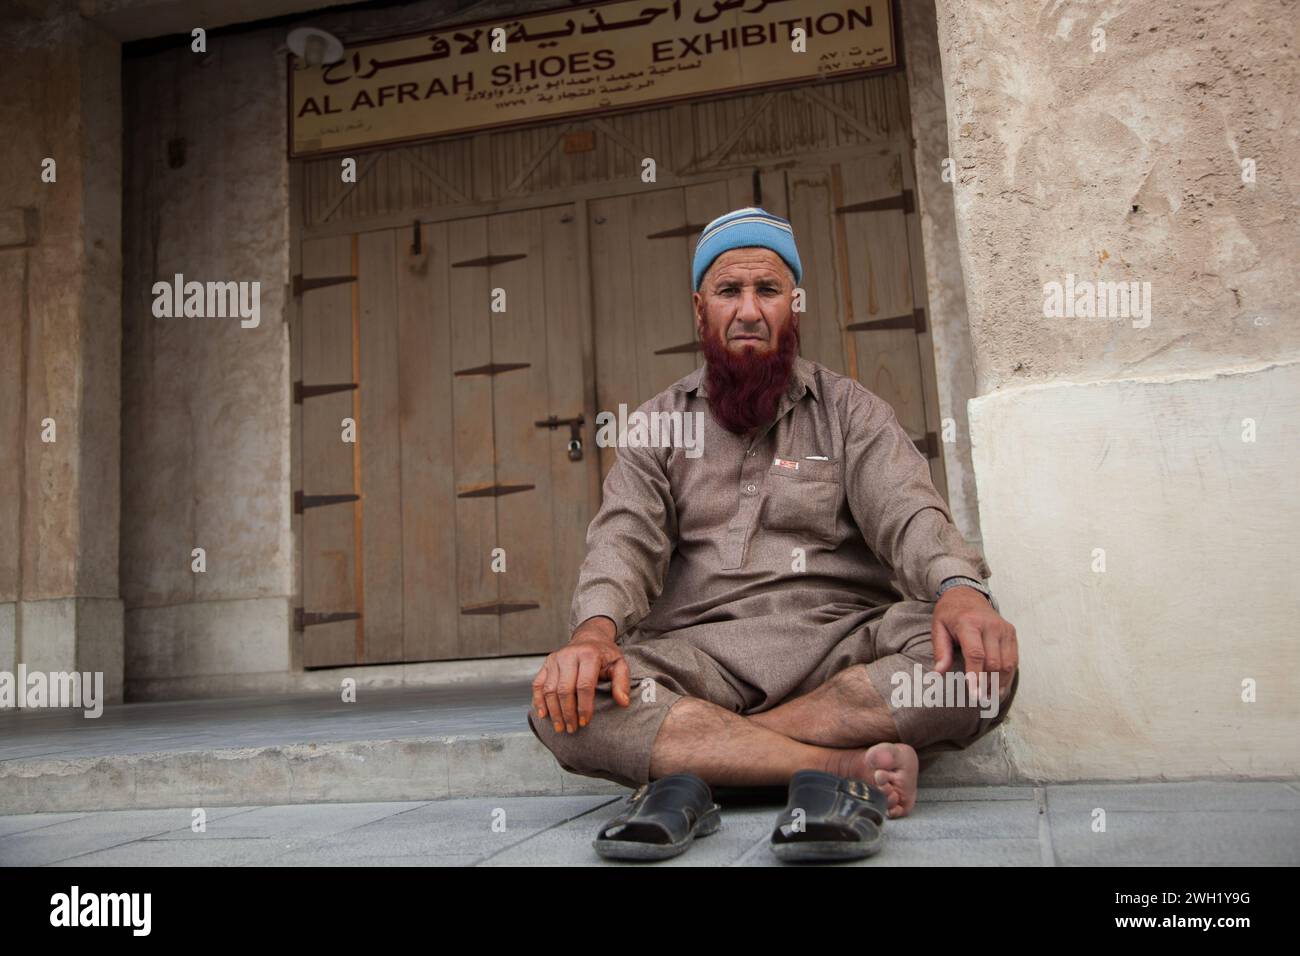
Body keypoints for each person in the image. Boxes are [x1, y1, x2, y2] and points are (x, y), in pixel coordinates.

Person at [527, 207, 1019, 819]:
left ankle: (723, 749)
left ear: (794, 303)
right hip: (699, 657)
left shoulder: (850, 411)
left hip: (844, 646)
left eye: (769, 290)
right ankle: (836, 765)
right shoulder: (657, 423)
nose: (750, 311)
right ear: (700, 306)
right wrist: (594, 632)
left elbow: (908, 511)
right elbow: (623, 541)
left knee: (974, 667)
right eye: (729, 290)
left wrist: (960, 588)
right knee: (570, 702)